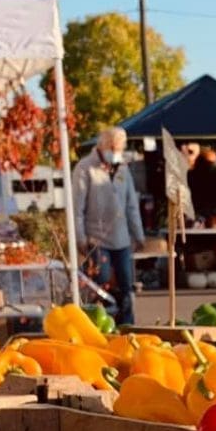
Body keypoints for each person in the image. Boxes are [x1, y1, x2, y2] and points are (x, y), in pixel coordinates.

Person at [72, 126, 145, 324]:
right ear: (102, 145)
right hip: (96, 239)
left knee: (126, 285)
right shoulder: (85, 168)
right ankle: (100, 322)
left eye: (118, 148)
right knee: (100, 284)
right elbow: (77, 208)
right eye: (112, 147)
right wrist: (80, 238)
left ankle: (128, 325)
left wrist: (138, 235)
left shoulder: (123, 168)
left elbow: (131, 205)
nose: (115, 151)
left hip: (122, 239)